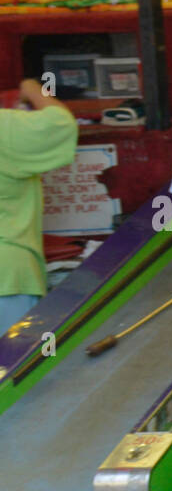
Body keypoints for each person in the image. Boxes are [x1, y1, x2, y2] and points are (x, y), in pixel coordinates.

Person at [0, 78, 78, 331]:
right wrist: (33, 88)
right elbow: (61, 122)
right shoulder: (6, 126)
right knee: (15, 367)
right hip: (9, 277)